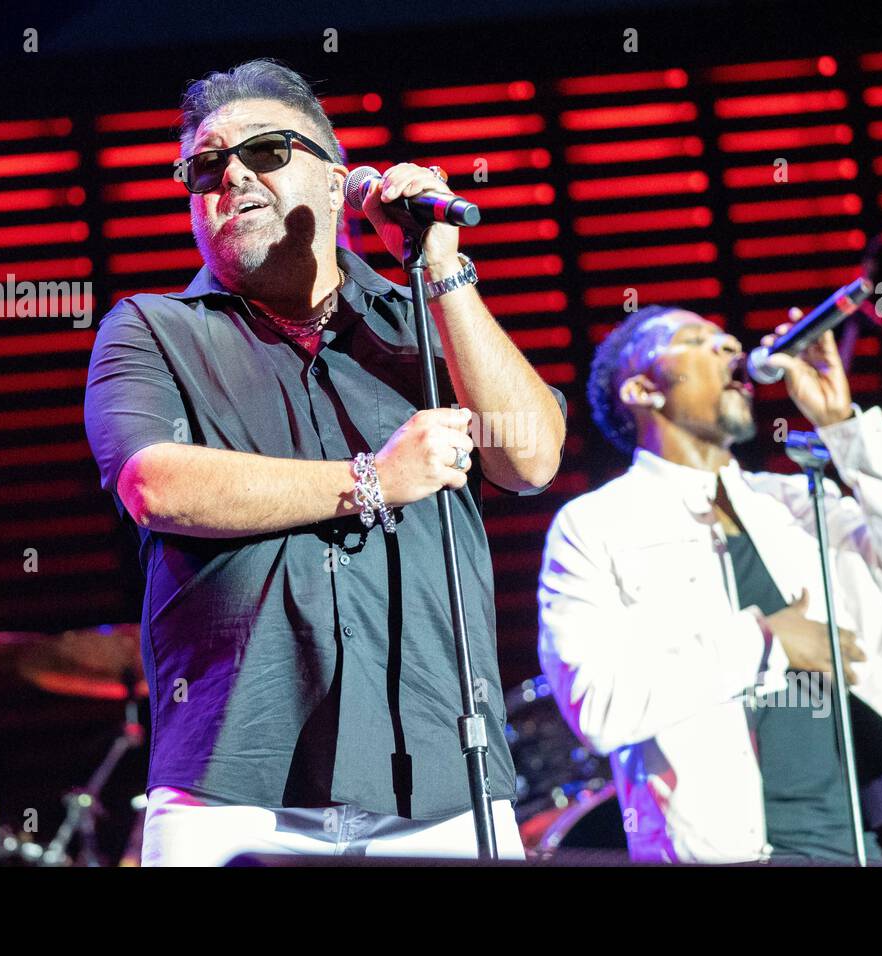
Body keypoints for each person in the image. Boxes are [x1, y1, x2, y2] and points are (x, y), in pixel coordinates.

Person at [84, 58, 566, 865]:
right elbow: (156, 483)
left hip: (441, 786)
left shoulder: (422, 320)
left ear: (340, 184)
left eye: (266, 151)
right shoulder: (151, 329)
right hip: (233, 792)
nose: (230, 174)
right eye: (205, 166)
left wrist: (440, 266)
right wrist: (373, 480)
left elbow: (531, 458)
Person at [537, 305, 882, 864]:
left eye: (727, 338)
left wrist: (843, 428)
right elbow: (595, 707)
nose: (731, 347)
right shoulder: (596, 525)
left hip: (857, 845)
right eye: (697, 341)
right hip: (727, 855)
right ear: (642, 387)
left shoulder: (793, 500)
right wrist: (767, 642)